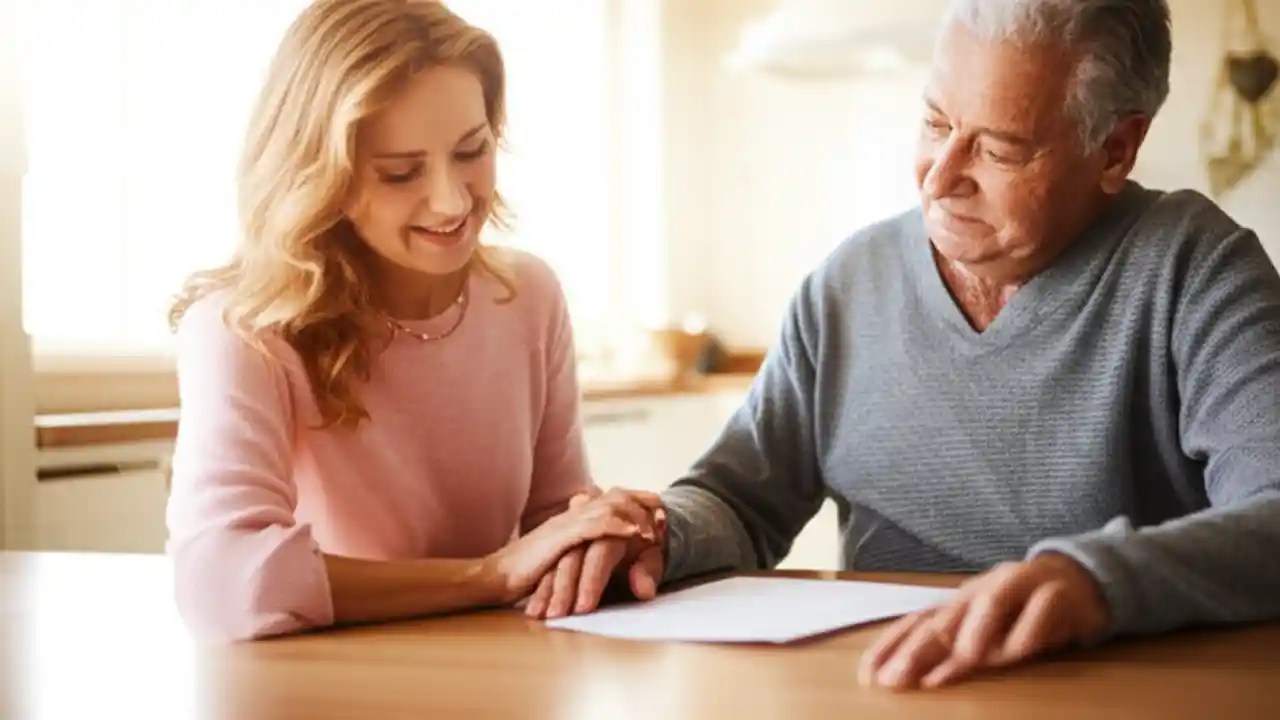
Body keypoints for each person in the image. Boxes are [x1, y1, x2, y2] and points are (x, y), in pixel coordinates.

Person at [526, 0, 1280, 690]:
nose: (939, 178)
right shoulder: (849, 283)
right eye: (935, 123)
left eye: (999, 151)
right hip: (892, 688)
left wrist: (1094, 582)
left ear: (1115, 149)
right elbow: (737, 499)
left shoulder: (1197, 269)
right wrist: (659, 533)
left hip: (1115, 692)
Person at [164, 0, 660, 643]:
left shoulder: (527, 297)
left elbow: (553, 522)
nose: (451, 202)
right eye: (400, 173)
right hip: (329, 676)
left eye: (472, 151)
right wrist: (487, 576)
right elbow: (220, 585)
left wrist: (604, 538)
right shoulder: (243, 329)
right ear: (323, 177)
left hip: (499, 668)